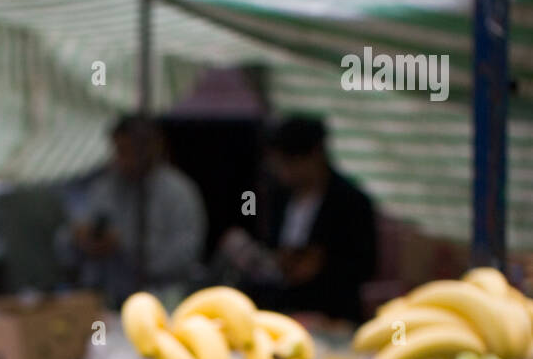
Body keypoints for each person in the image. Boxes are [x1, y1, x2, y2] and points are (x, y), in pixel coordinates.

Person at [219, 115, 378, 323]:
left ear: (314, 156)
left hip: (330, 312)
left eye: (289, 163)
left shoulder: (352, 202)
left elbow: (364, 266)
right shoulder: (278, 197)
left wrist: (320, 263)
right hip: (278, 307)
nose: (283, 172)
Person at [63, 115, 207, 306]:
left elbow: (184, 256)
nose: (122, 159)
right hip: (109, 301)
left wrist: (124, 245)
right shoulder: (104, 188)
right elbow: (70, 242)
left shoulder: (179, 193)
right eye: (118, 150)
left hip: (162, 301)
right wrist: (80, 238)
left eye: (128, 151)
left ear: (153, 146)